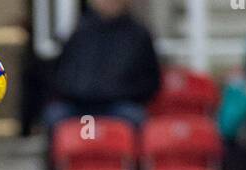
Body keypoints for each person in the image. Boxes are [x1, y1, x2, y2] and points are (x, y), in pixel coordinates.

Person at [43, 0, 161, 129]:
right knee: (54, 115)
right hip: (77, 104)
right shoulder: (79, 32)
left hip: (118, 104)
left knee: (134, 116)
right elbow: (62, 72)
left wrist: (122, 92)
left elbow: (151, 80)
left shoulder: (139, 35)